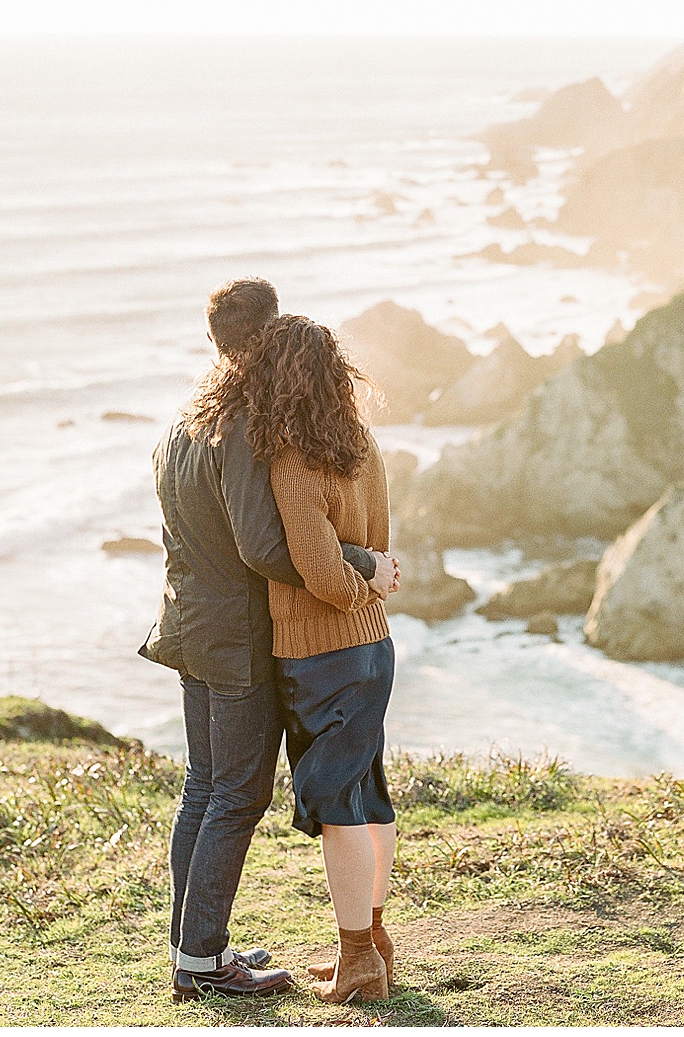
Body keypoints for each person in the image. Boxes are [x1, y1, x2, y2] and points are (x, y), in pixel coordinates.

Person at [141, 278, 399, 1004]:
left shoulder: (182, 421)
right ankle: (202, 958)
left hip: (186, 623)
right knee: (238, 793)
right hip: (237, 640)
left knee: (202, 787)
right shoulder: (246, 427)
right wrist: (362, 565)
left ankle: (193, 944)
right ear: (269, 335)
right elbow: (263, 545)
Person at [246, 314, 398, 1005]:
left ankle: (359, 958)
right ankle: (373, 937)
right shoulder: (361, 441)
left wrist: (353, 575)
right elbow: (377, 551)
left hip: (323, 655)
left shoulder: (290, 460)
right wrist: (372, 574)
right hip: (373, 646)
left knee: (338, 806)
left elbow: (325, 575)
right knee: (368, 793)